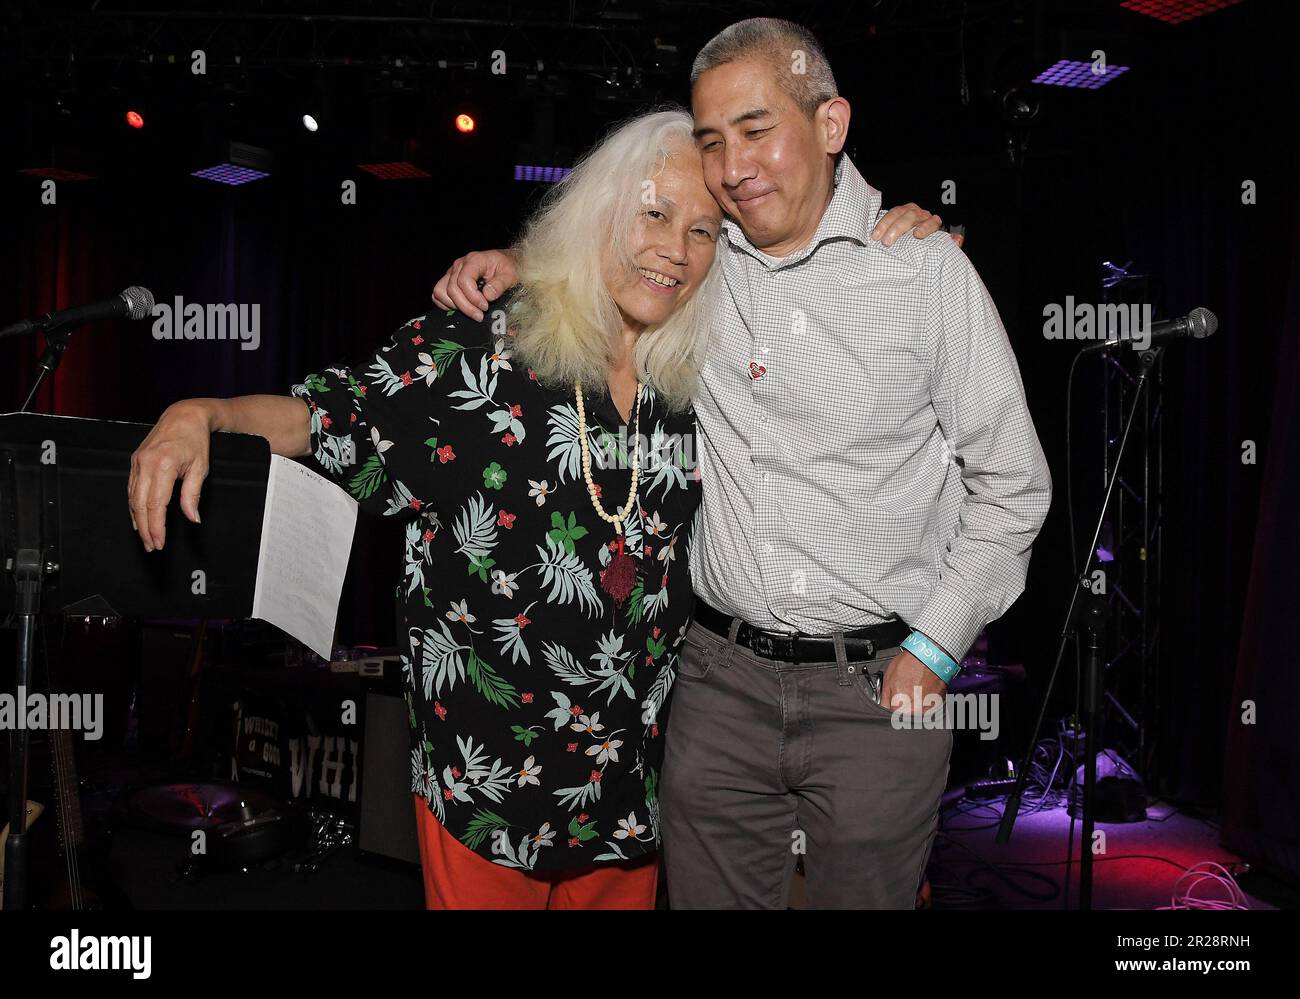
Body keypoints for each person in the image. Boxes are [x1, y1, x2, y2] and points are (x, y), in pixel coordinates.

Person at [128, 105, 946, 909]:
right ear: (599, 215)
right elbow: (334, 416)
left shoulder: (704, 379)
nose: (675, 249)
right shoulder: (485, 347)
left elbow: (823, 304)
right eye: (652, 214)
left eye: (703, 231)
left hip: (631, 793)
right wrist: (209, 414)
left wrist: (896, 244)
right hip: (487, 790)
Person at [432, 17, 1052, 910]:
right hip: (717, 685)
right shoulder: (706, 262)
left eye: (757, 131)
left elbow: (1014, 484)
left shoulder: (924, 275)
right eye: (714, 141)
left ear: (830, 125)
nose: (731, 166)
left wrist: (937, 646)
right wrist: (518, 263)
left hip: (882, 689)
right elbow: (621, 247)